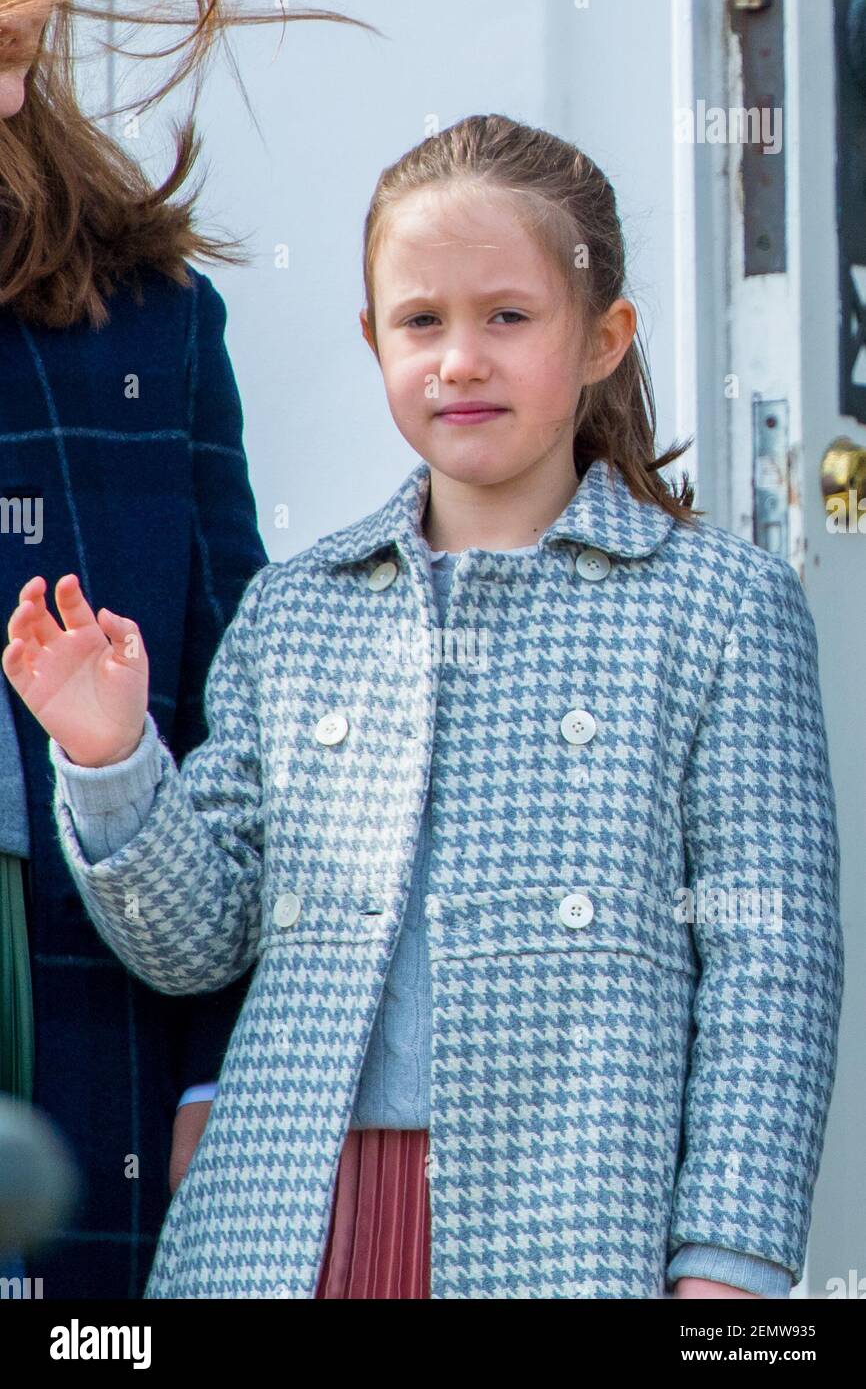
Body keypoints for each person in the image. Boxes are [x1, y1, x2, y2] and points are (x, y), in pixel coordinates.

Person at [3, 113, 844, 1299]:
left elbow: (772, 964)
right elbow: (200, 944)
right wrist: (109, 753)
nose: (458, 358)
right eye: (420, 322)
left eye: (507, 316)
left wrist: (725, 1269)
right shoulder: (300, 609)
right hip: (287, 1229)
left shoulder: (718, 607)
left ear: (603, 339)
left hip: (568, 1225)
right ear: (372, 339)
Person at [0, 0, 376, 1296]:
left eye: (20, 42)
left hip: (79, 1037)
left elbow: (237, 748)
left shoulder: (146, 323)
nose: (17, 65)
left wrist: (223, 1073)